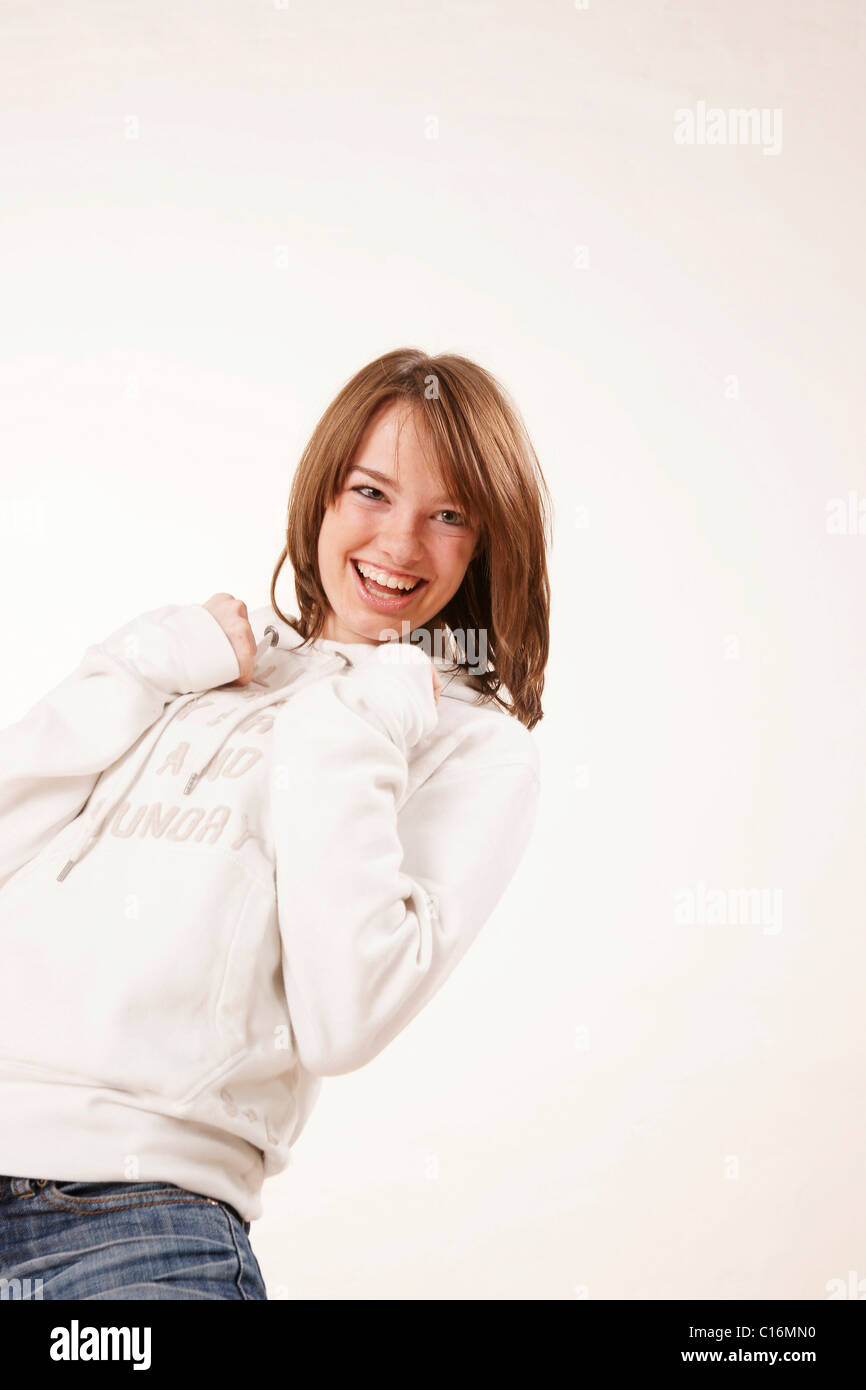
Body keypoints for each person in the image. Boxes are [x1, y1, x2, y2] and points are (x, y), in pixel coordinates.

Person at [0, 347, 552, 1300]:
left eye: (450, 514)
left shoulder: (470, 745)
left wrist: (355, 724)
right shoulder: (208, 662)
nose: (400, 543)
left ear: (486, 541)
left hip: (137, 1230)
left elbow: (346, 1017)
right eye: (371, 492)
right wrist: (132, 668)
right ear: (323, 495)